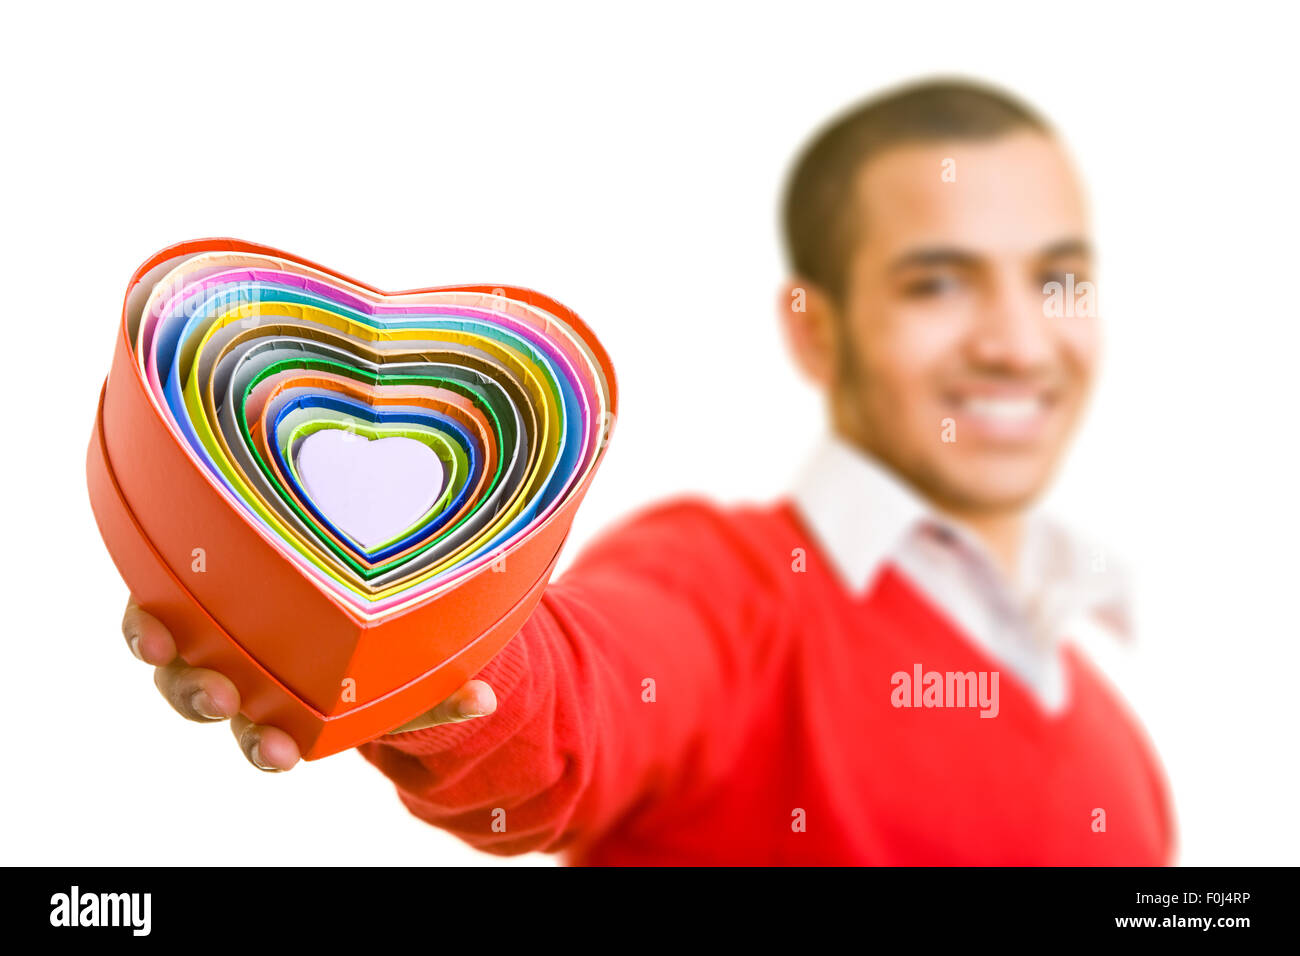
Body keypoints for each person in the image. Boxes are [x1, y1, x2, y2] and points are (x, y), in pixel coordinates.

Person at [120, 78, 1175, 865]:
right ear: (815, 331)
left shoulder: (1120, 744)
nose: (1017, 341)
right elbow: (579, 704)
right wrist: (420, 650)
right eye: (936, 283)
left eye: (1057, 279)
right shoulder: (729, 585)